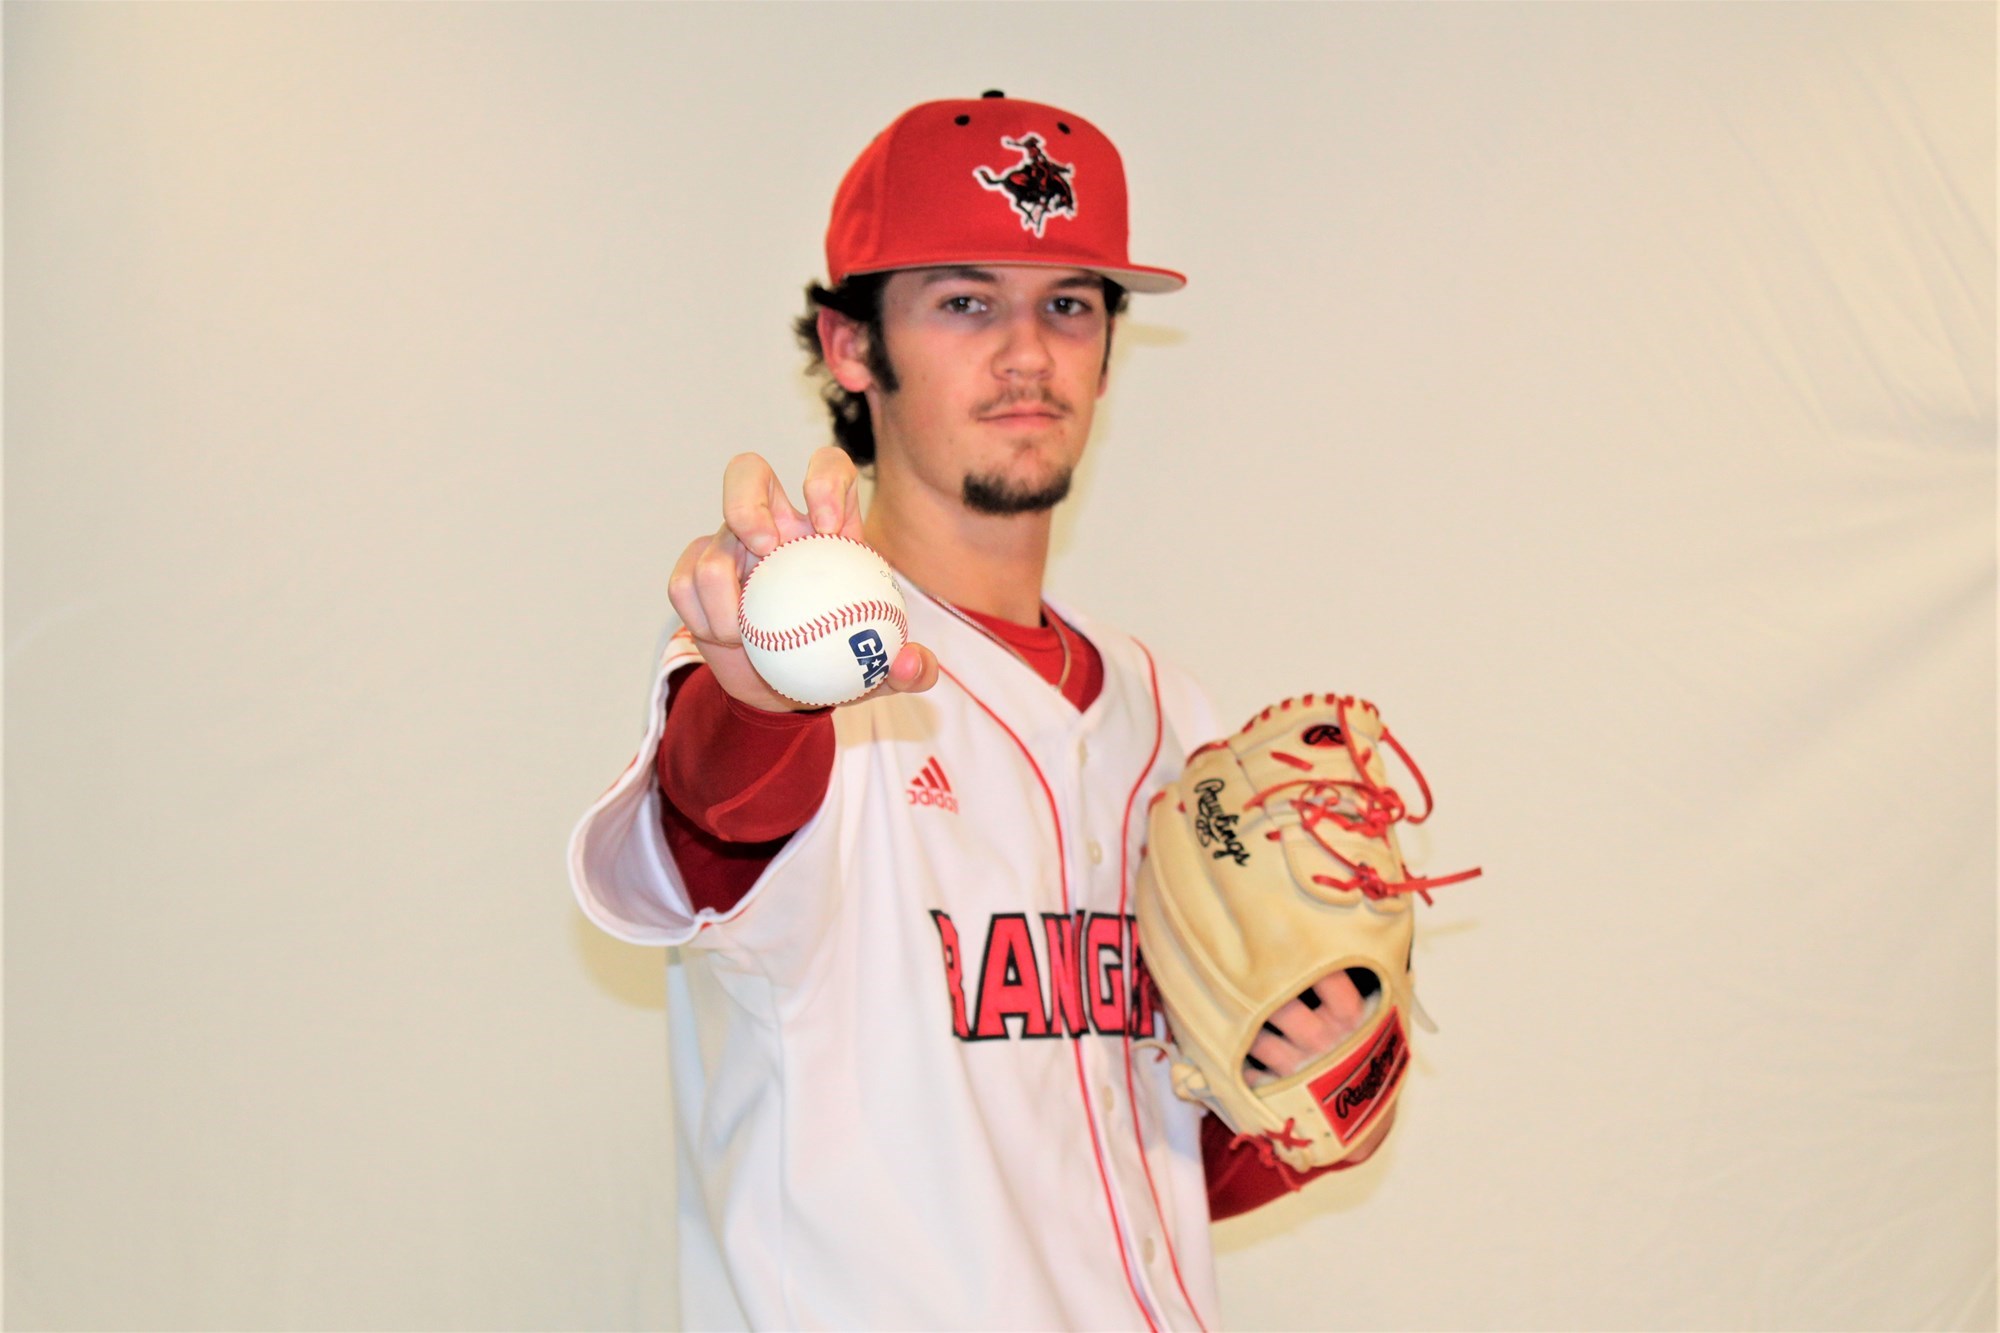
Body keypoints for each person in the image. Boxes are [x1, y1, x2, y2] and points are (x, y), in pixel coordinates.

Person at [570, 91, 1389, 1332]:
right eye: (964, 301)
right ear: (851, 346)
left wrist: (1297, 1083)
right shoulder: (784, 670)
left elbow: (1127, 1158)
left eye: (1068, 304)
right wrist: (753, 698)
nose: (1027, 354)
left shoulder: (1172, 716)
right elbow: (715, 822)